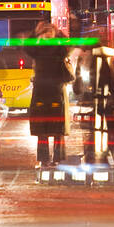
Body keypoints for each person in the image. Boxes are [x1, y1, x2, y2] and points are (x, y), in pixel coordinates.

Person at [28, 22, 72, 164]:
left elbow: (68, 46)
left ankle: (54, 158)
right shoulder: (39, 49)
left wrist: (56, 32)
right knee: (44, 128)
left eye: (49, 32)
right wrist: (36, 32)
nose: (47, 34)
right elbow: (27, 47)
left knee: (56, 128)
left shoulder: (57, 49)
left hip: (51, 91)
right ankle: (46, 159)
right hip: (46, 91)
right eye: (44, 32)